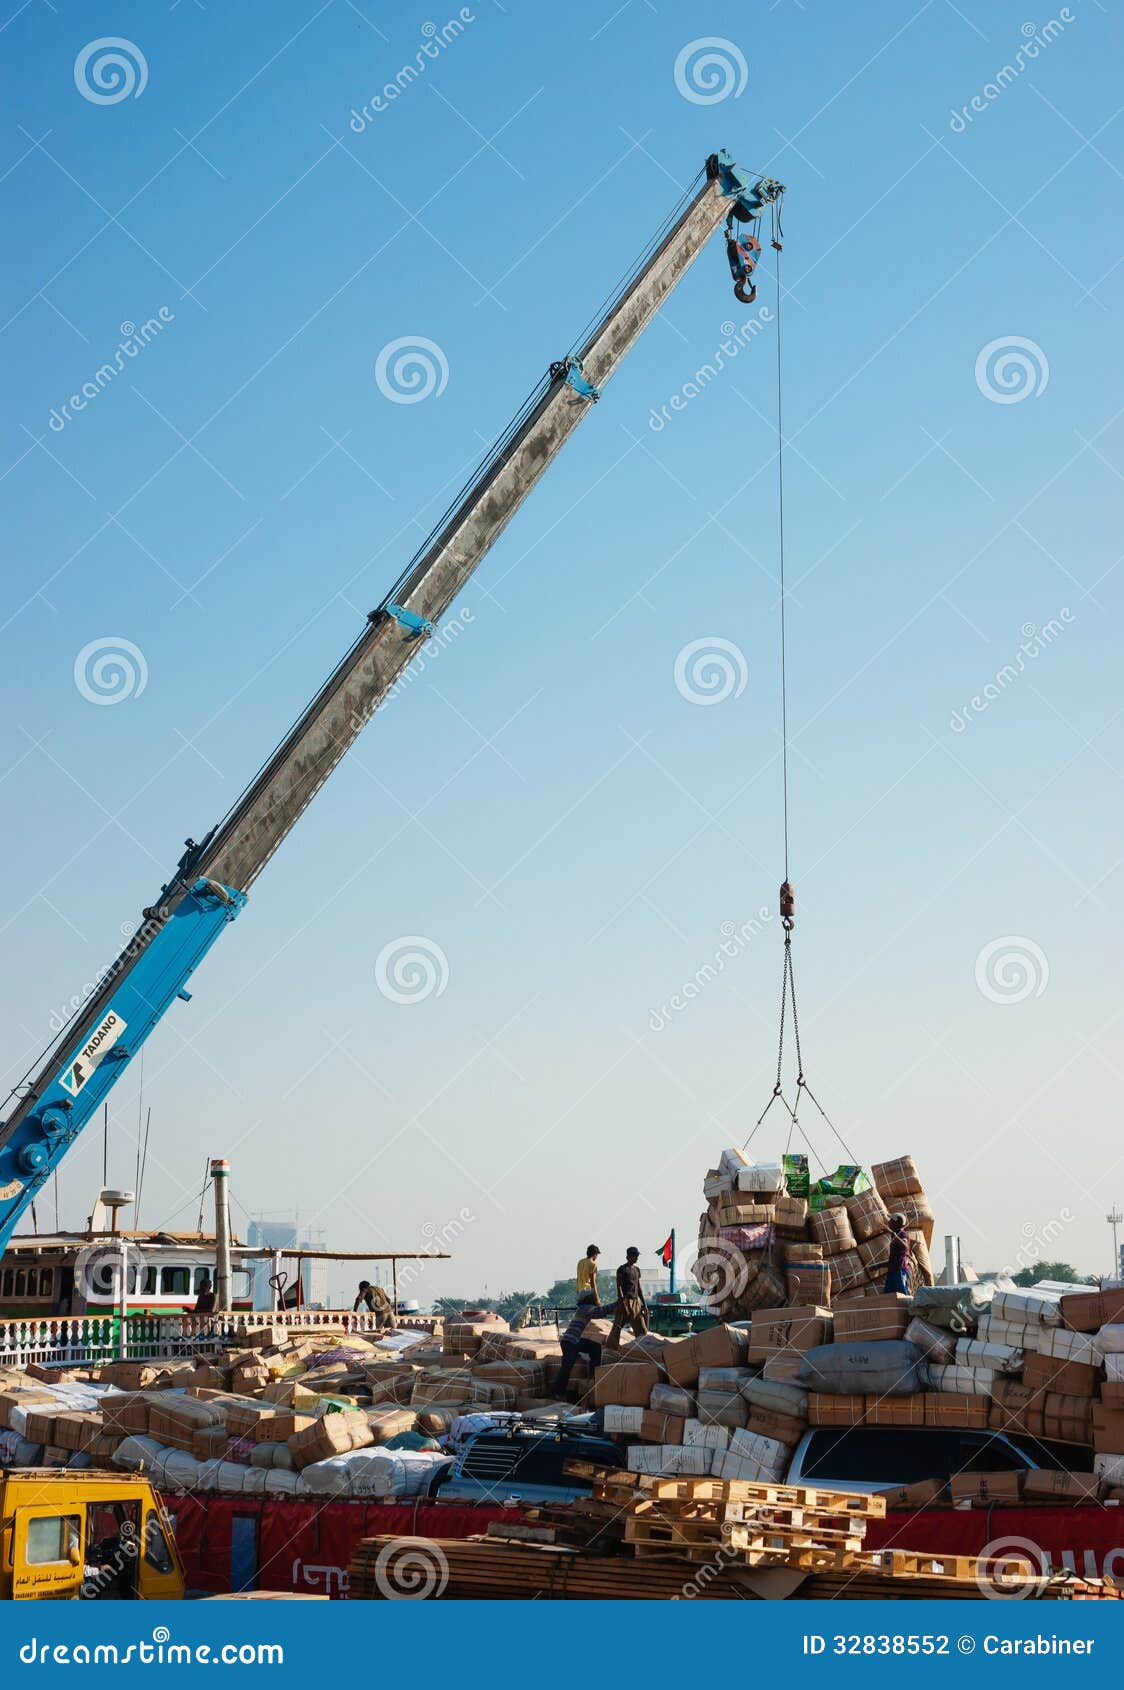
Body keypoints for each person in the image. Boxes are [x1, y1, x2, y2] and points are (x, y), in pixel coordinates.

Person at [555, 1289, 614, 1394]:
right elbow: (601, 1311)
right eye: (593, 1296)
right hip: (571, 1342)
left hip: (572, 1340)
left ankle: (592, 1375)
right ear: (589, 1299)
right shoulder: (585, 1308)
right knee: (566, 1368)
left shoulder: (583, 1308)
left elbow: (600, 1313)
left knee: (595, 1347)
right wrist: (617, 1304)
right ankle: (558, 1392)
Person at [607, 1246, 649, 1346]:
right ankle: (612, 1348)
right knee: (617, 1328)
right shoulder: (622, 1269)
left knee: (642, 1329)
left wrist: (644, 1304)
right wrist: (623, 1304)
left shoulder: (637, 1270)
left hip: (635, 1302)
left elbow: (638, 1288)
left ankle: (642, 1348)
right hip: (625, 1301)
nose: (637, 1258)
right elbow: (619, 1287)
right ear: (630, 1256)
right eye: (636, 1256)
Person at [883, 1214, 912, 1295]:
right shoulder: (895, 1235)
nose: (888, 1222)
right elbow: (894, 1258)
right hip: (892, 1271)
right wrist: (877, 1267)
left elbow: (904, 1246)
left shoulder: (903, 1234)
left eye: (890, 1220)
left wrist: (892, 1233)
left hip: (900, 1270)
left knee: (903, 1294)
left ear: (896, 1222)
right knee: (888, 1295)